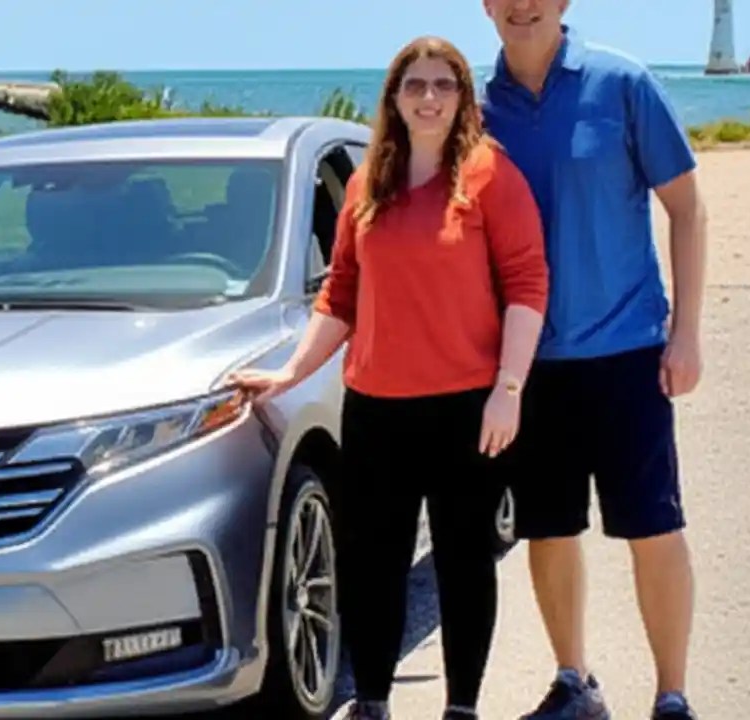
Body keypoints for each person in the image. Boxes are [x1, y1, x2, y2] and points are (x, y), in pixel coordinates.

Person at [229, 36, 549, 720]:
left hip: (469, 409)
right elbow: (340, 295)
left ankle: (462, 706)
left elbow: (528, 286)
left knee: (465, 566)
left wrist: (509, 389)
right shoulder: (368, 183)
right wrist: (289, 373)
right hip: (376, 410)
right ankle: (371, 701)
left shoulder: (492, 176)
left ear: (462, 96)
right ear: (395, 99)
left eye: (443, 85)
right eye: (415, 86)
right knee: (372, 567)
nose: (429, 98)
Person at [478, 2, 709, 719]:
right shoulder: (475, 109)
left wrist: (688, 333)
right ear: (485, 5)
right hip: (529, 365)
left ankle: (672, 694)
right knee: (548, 528)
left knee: (653, 525)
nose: (522, 6)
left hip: (629, 350)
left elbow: (688, 208)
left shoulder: (624, 83)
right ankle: (574, 682)